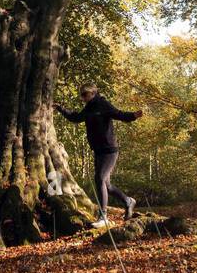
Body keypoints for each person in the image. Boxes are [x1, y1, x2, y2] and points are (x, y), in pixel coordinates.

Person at [56, 83, 143, 228]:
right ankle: (128, 201)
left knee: (100, 178)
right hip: (98, 150)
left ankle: (103, 217)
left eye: (84, 94)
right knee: (106, 185)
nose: (82, 98)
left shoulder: (102, 104)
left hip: (109, 150)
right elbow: (76, 118)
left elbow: (119, 114)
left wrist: (133, 115)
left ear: (92, 93)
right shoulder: (89, 107)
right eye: (81, 95)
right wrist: (60, 109)